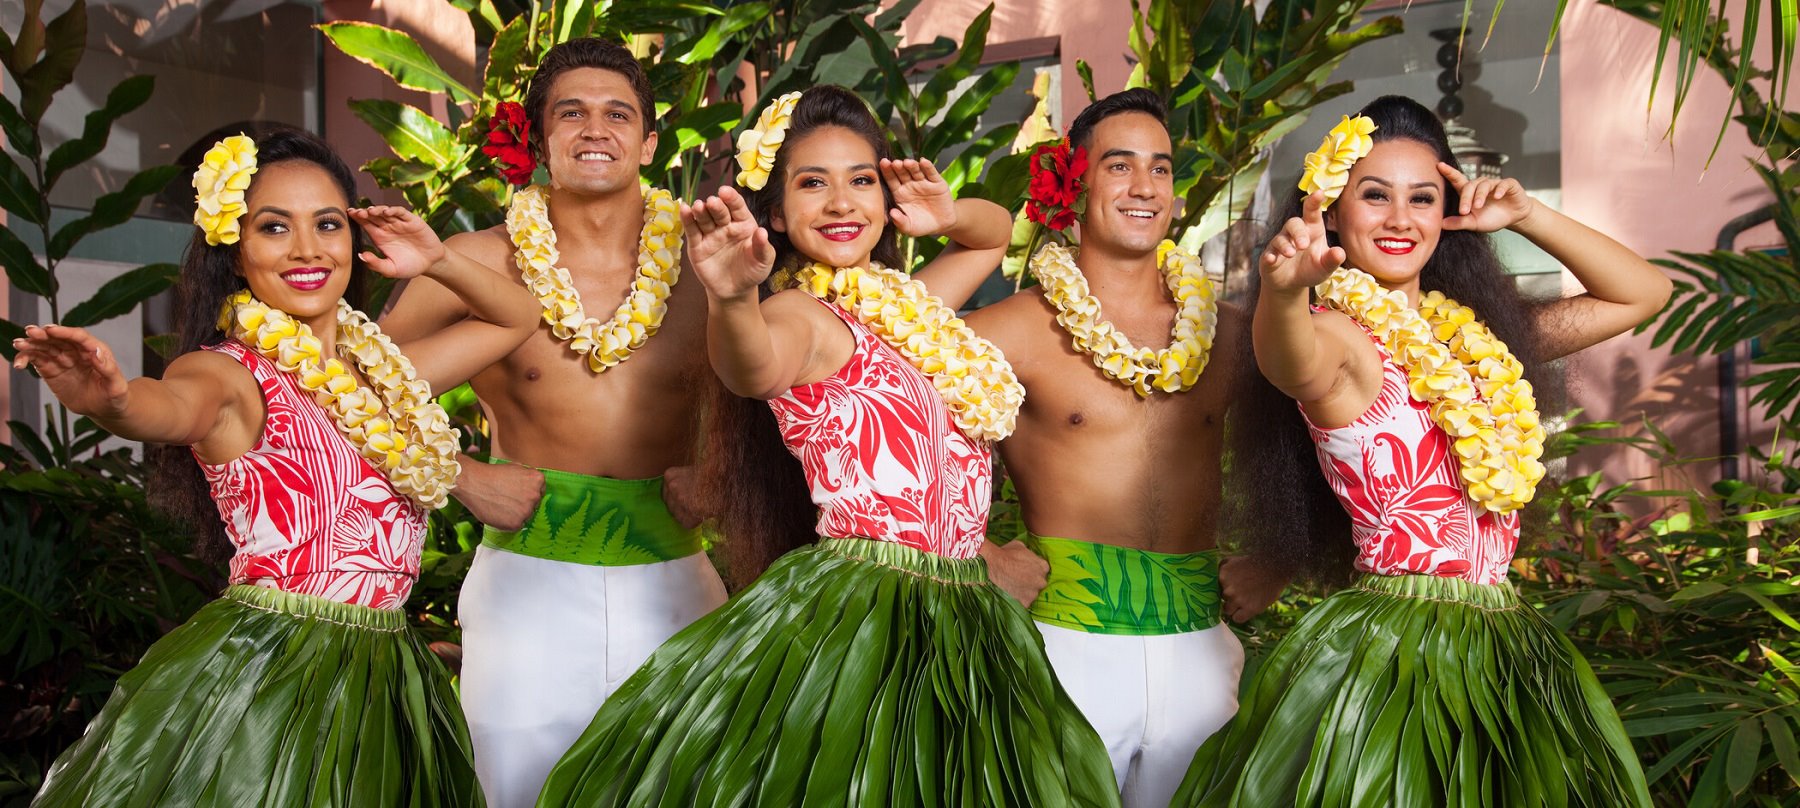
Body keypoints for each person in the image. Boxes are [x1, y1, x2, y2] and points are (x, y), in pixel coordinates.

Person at [534, 85, 1121, 807]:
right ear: (777, 213)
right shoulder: (798, 315)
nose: (842, 203)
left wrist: (946, 213)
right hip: (865, 614)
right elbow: (751, 365)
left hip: (967, 615)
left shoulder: (907, 308)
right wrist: (730, 298)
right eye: (814, 183)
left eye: (861, 181)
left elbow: (993, 236)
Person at [1173, 95, 1669, 807]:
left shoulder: (1484, 342)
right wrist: (1284, 294)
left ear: (1451, 212)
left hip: (1505, 646)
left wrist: (1529, 215)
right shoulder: (1339, 339)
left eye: (1424, 197)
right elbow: (1291, 363)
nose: (1401, 218)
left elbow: (1643, 293)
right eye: (1374, 195)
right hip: (1398, 655)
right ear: (1334, 211)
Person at [22, 127, 541, 806]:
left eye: (327, 224)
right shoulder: (230, 373)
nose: (306, 249)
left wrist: (436, 259)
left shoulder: (389, 376)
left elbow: (516, 317)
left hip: (386, 675)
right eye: (273, 227)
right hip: (271, 679)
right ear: (235, 253)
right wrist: (114, 403)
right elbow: (170, 406)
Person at [377, 38, 729, 808]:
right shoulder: (473, 261)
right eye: (571, 113)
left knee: (680, 789)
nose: (594, 130)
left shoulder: (712, 268)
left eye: (616, 114)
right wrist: (461, 479)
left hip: (676, 578)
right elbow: (345, 385)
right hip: (526, 582)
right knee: (512, 791)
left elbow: (789, 397)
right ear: (538, 138)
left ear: (649, 141)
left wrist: (722, 483)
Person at [963, 88, 1273, 808]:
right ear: (1074, 181)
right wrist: (978, 554)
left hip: (1201, 643)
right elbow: (883, 435)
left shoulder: (1230, 336)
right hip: (1066, 641)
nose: (1144, 187)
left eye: (1160, 169)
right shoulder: (1012, 329)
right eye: (1120, 166)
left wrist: (1280, 559)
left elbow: (1331, 433)